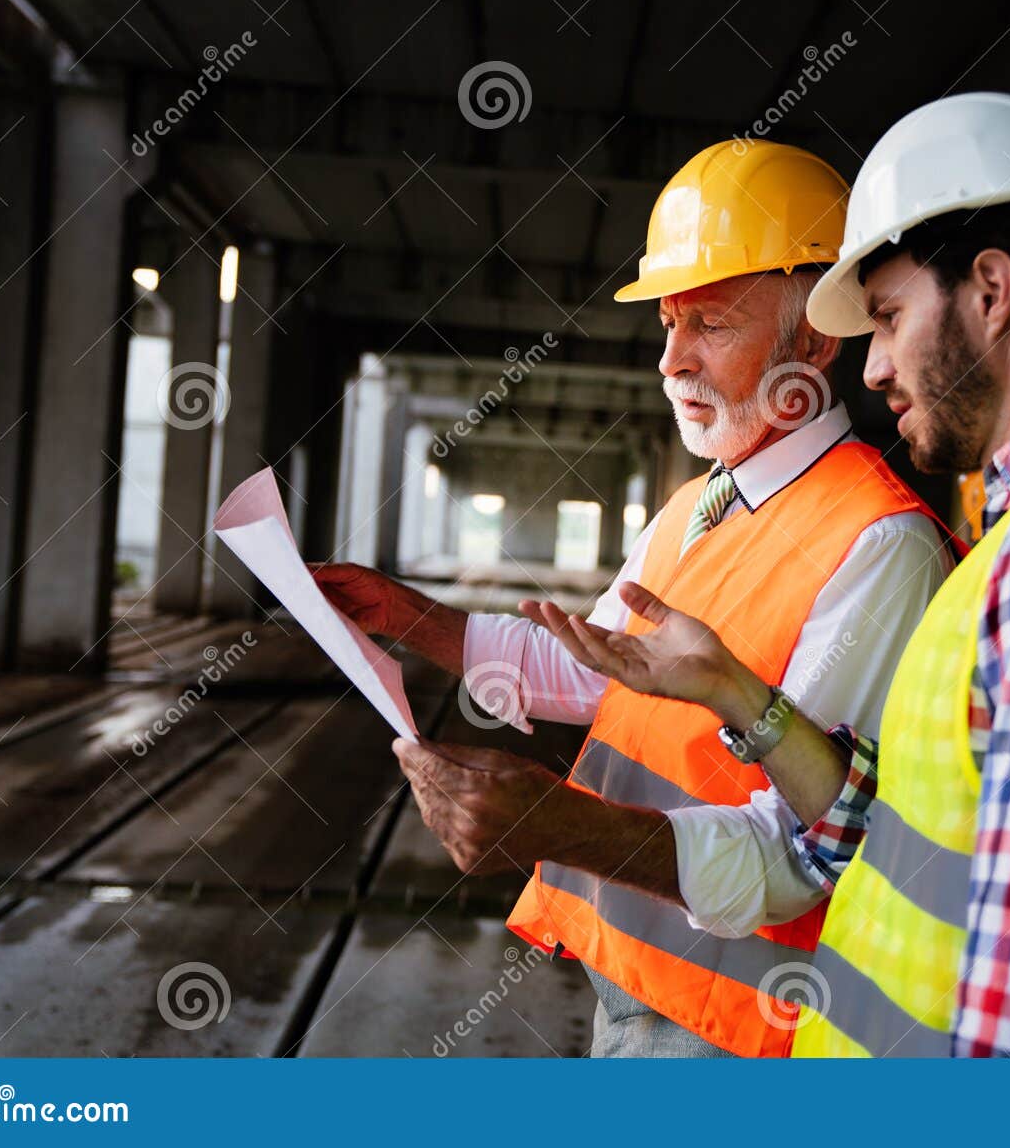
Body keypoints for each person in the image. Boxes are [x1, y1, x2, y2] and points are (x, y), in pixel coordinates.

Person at [527, 94, 1010, 1057]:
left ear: (991, 290)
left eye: (888, 316)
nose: (874, 366)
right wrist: (735, 691)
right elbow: (882, 830)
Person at [316, 140, 953, 1057]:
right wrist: (408, 616)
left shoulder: (879, 544)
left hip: (732, 1035)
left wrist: (558, 824)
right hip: (634, 993)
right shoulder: (695, 508)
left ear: (812, 340)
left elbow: (799, 854)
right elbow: (592, 664)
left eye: (710, 325)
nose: (671, 361)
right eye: (666, 324)